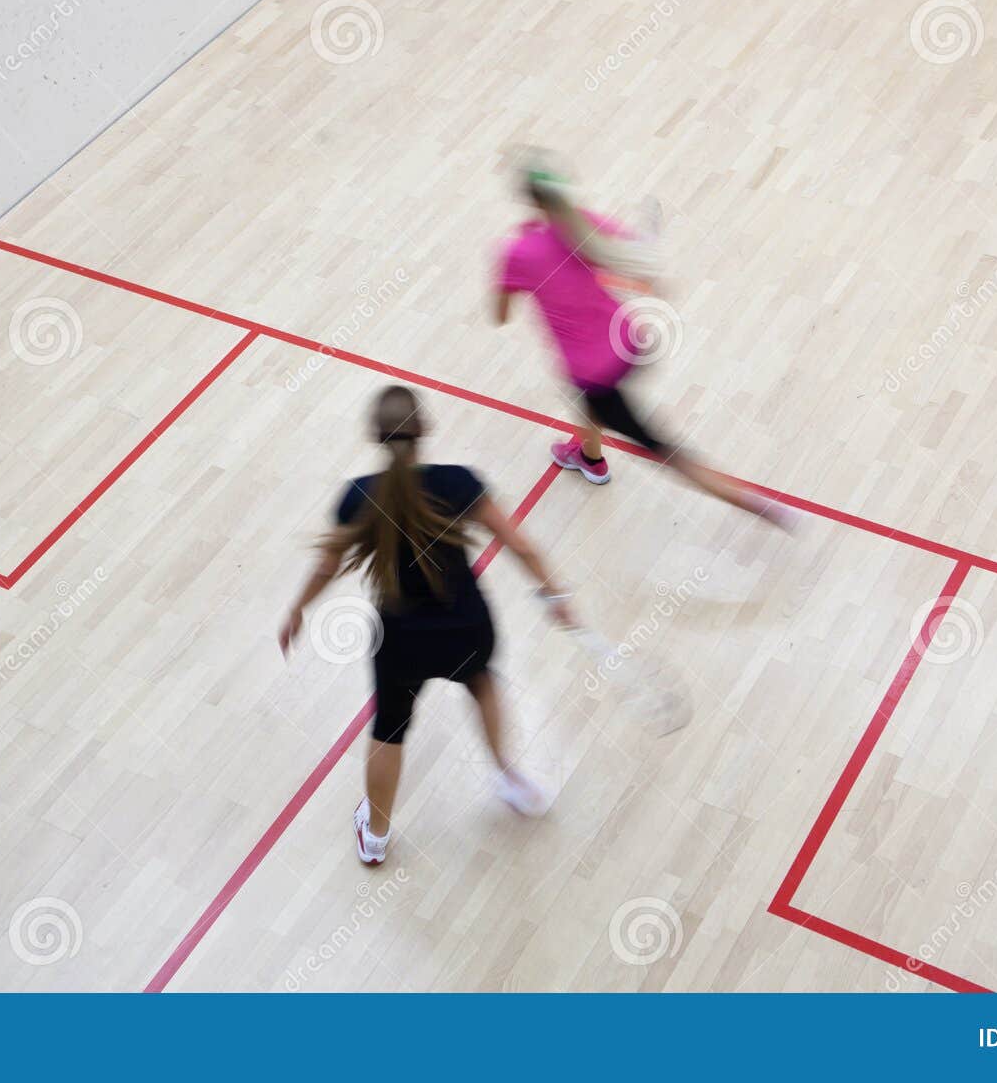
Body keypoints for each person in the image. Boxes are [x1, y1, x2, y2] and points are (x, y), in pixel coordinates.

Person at [278, 384, 575, 865]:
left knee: (390, 728)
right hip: (468, 627)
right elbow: (520, 546)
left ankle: (375, 836)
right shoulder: (459, 483)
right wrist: (554, 595)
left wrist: (298, 608)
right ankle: (509, 776)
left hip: (401, 643)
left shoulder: (359, 497)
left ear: (375, 437)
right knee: (482, 684)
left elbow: (325, 566)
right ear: (426, 430)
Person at [493, 164, 798, 530]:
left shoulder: (519, 252)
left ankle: (752, 503)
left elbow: (500, 315)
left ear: (530, 200)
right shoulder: (583, 223)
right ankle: (590, 458)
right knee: (586, 403)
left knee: (666, 452)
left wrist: (524, 276)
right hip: (630, 343)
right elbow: (631, 258)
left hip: (595, 372)